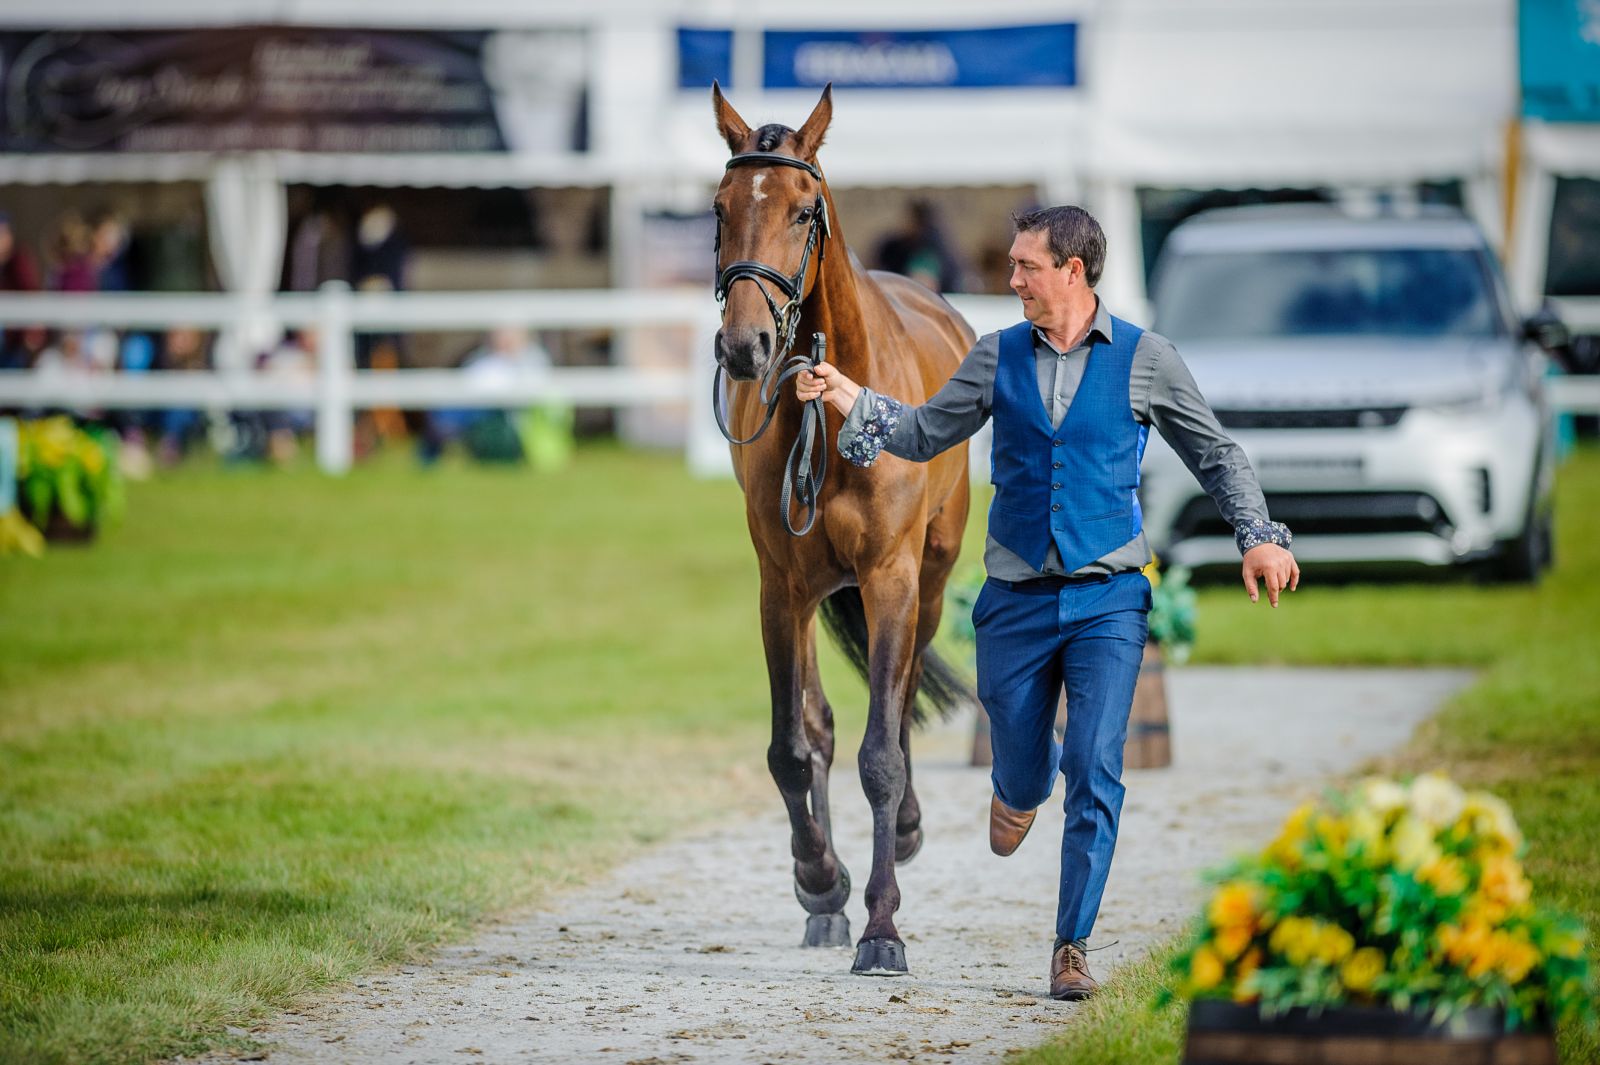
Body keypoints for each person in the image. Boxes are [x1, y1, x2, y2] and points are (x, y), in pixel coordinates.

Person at [796, 205, 1299, 1002]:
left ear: (1073, 270)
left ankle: (1071, 945)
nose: (1013, 278)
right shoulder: (994, 355)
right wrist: (852, 398)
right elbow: (926, 432)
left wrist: (1259, 534)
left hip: (1110, 600)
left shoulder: (1145, 358)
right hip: (1016, 603)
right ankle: (1017, 789)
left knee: (1096, 767)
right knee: (1026, 767)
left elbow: (1215, 450)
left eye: (1027, 266)